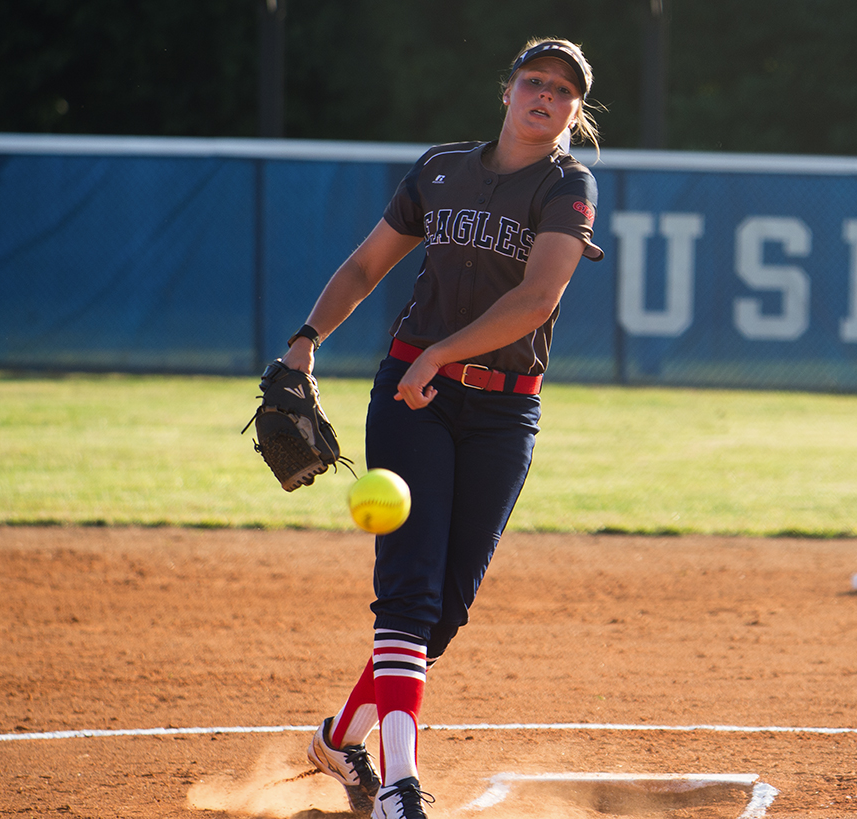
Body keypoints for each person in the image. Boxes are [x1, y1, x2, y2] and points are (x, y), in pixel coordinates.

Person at [282, 37, 604, 819]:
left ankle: (338, 740)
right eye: (534, 81)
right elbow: (365, 266)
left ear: (574, 111)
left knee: (444, 612)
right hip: (411, 397)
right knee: (409, 591)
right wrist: (304, 342)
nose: (545, 96)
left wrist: (444, 353)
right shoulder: (440, 170)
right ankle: (399, 786)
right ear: (508, 89)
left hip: (504, 409)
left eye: (563, 90)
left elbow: (538, 298)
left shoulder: (568, 186)